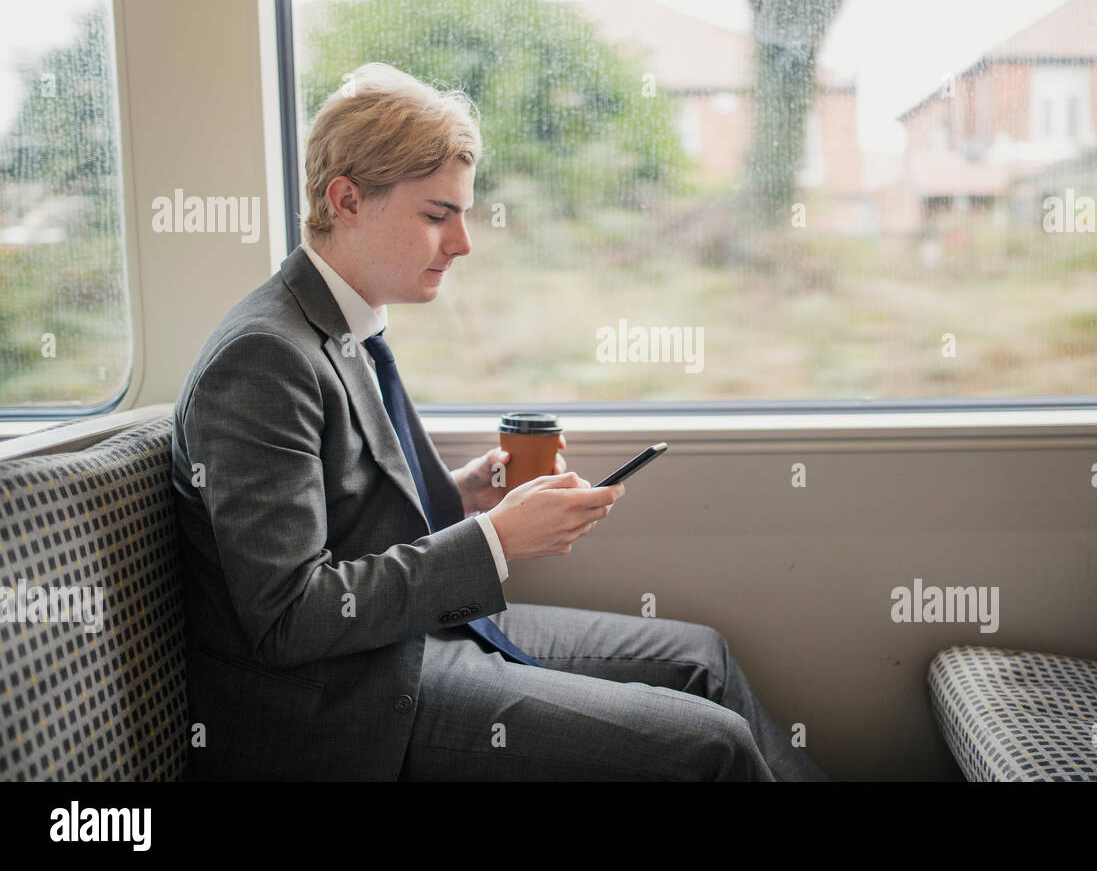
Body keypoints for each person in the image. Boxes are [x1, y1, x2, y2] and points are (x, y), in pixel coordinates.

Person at [171, 61, 829, 781]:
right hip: (342, 702)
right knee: (714, 745)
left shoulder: (341, 327)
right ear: (347, 199)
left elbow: (346, 508)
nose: (463, 244)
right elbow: (288, 616)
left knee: (703, 657)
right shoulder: (264, 358)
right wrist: (495, 541)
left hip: (409, 639)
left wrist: (465, 497)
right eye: (436, 216)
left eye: (463, 213)